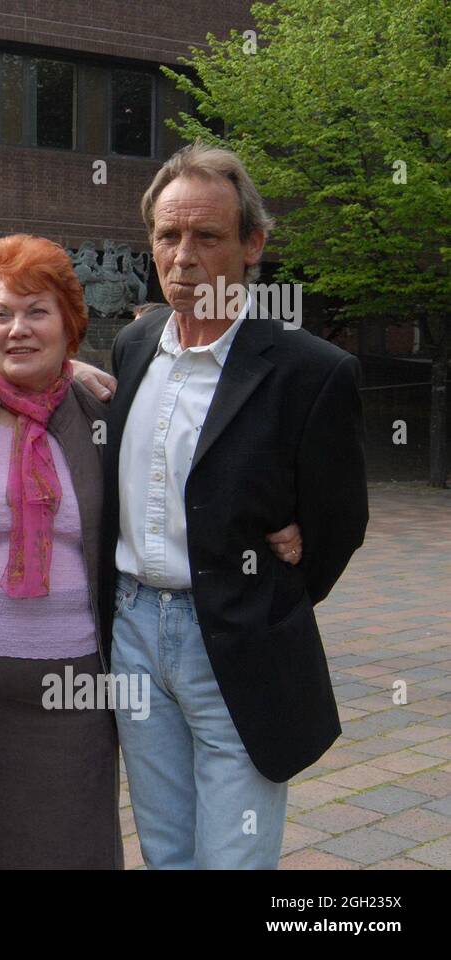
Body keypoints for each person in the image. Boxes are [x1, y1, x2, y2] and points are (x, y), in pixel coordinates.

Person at [102, 143, 368, 868]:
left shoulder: (310, 371)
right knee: (164, 850)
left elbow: (340, 525)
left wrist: (272, 589)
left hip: (237, 642)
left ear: (252, 245)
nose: (182, 256)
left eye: (206, 236)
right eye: (167, 235)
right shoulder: (132, 346)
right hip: (132, 632)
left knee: (233, 858)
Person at [0, 234, 121, 869]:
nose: (17, 329)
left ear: (70, 322)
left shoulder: (101, 414)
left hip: (76, 690)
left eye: (37, 312)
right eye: (1, 313)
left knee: (69, 849)